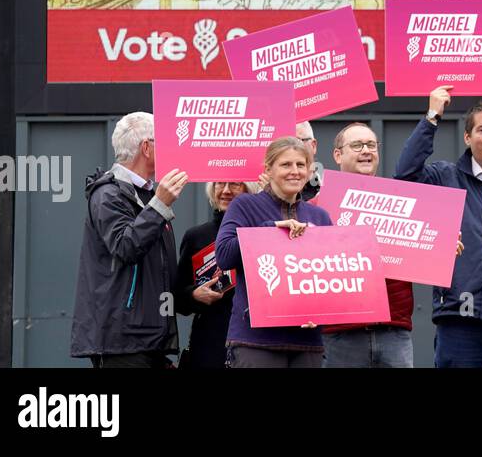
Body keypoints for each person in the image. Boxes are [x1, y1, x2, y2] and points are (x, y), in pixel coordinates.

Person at [395, 87, 482, 368]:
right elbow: (405, 176)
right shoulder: (444, 176)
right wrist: (432, 116)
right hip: (459, 317)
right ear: (467, 137)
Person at [71, 111, 188, 368]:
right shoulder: (108, 194)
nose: (171, 147)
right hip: (122, 340)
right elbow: (126, 246)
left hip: (150, 338)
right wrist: (160, 205)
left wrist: (191, 296)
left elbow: (158, 270)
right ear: (146, 147)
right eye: (164, 141)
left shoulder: (148, 195)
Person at [214, 137, 331, 368]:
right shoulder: (245, 205)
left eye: (301, 165)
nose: (295, 171)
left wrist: (321, 312)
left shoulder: (320, 217)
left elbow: (330, 277)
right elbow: (224, 255)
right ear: (268, 168)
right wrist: (270, 231)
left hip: (307, 343)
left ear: (309, 170)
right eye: (286, 165)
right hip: (256, 342)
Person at [321, 122, 415, 368]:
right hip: (340, 331)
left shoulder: (401, 202)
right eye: (357, 145)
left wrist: (443, 246)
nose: (366, 150)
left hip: (393, 327)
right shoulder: (317, 207)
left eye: (371, 145)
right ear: (337, 154)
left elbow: (423, 252)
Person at [173, 180, 254, 369]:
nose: (226, 190)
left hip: (252, 343)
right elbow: (176, 298)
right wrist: (194, 295)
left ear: (249, 189)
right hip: (209, 345)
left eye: (234, 184)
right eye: (220, 184)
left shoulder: (260, 231)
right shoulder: (196, 236)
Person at [295, 121, 324, 200]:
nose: (290, 148)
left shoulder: (332, 190)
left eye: (296, 141)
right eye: (282, 144)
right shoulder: (261, 191)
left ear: (313, 146)